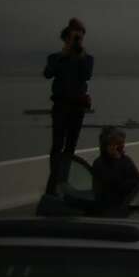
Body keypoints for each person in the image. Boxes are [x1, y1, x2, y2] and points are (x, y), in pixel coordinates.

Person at [42, 18, 94, 197]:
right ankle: (53, 184)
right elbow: (48, 73)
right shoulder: (56, 57)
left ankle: (62, 181)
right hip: (61, 105)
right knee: (57, 145)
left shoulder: (87, 59)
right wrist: (65, 53)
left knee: (70, 146)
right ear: (66, 38)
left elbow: (87, 75)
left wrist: (80, 55)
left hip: (77, 107)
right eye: (74, 37)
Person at [90, 126, 139, 214]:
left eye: (122, 143)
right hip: (110, 210)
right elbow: (113, 185)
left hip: (127, 206)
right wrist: (116, 161)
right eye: (118, 143)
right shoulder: (100, 163)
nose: (122, 146)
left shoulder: (126, 160)